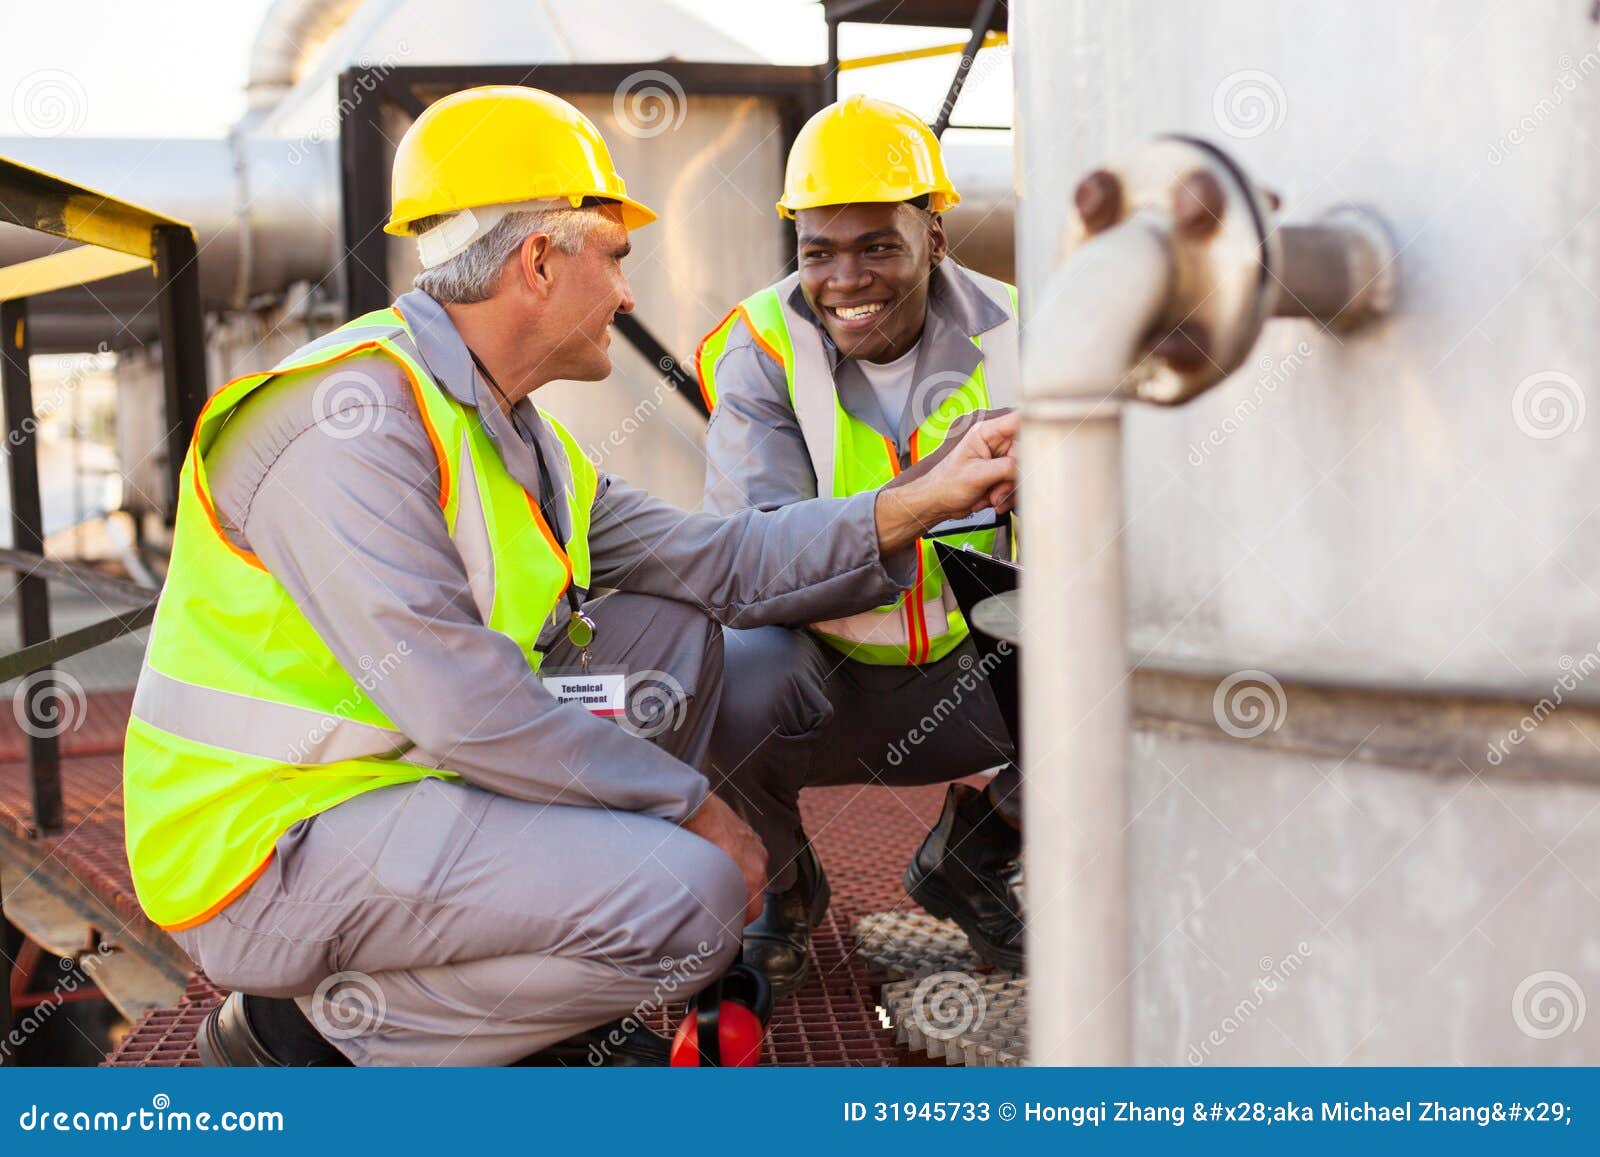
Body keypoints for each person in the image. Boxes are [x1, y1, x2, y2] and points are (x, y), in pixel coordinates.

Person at [121, 86, 1019, 1066]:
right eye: (617, 257)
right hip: (270, 842)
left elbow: (724, 560)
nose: (629, 296)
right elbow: (465, 705)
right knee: (694, 895)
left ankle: (527, 995)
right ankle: (304, 1033)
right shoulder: (349, 424)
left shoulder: (517, 436)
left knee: (669, 636)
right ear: (541, 261)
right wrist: (694, 810)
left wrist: (926, 495)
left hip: (401, 784)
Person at [698, 95, 1024, 997]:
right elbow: (752, 567)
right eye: (819, 252)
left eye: (878, 245)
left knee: (1137, 646)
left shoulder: (1021, 332)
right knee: (719, 663)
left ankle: (977, 850)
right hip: (819, 689)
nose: (846, 279)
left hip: (973, 679)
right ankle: (786, 886)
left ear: (934, 235)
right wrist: (928, 493)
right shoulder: (763, 347)